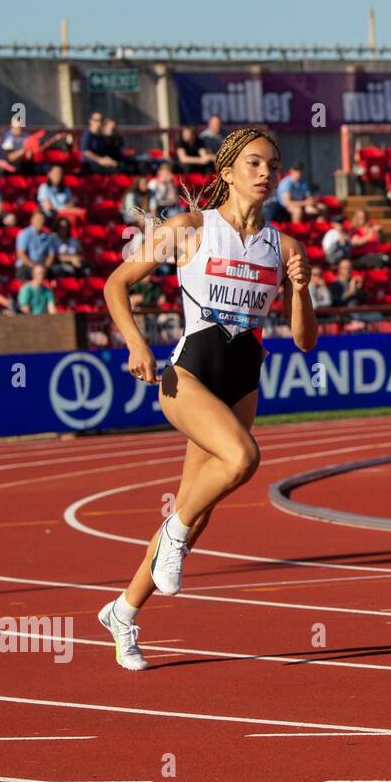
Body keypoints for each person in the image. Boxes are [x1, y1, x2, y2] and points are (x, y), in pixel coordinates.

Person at [97, 127, 316, 671]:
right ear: (225, 173)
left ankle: (123, 612)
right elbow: (115, 284)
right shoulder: (190, 228)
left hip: (243, 379)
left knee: (200, 511)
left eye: (273, 164)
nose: (266, 173)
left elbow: (306, 340)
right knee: (242, 459)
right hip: (188, 374)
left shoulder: (285, 247)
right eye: (254, 163)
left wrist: (303, 288)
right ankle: (171, 533)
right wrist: (135, 343)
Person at [14, 211, 58, 278]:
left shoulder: (48, 236)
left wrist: (45, 266)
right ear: (32, 220)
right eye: (38, 219)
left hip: (42, 265)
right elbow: (21, 253)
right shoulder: (25, 234)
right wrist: (34, 266)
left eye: (42, 219)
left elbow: (51, 254)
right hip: (27, 265)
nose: (40, 222)